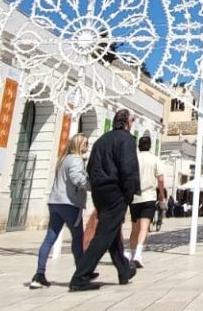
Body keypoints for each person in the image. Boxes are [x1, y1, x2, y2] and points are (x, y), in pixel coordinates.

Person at [68, 109, 139, 291]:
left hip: (99, 191)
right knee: (104, 233)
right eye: (132, 121)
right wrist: (129, 194)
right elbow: (128, 168)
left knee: (112, 230)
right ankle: (80, 276)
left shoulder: (101, 140)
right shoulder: (127, 140)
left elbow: (91, 166)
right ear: (127, 123)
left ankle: (124, 270)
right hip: (115, 190)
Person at [31, 134, 89, 288]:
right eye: (85, 143)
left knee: (50, 237)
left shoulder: (63, 159)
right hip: (70, 203)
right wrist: (89, 184)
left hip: (55, 202)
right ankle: (82, 272)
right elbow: (77, 178)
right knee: (78, 237)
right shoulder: (76, 160)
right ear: (78, 144)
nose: (87, 146)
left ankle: (39, 274)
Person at [128, 134, 160, 268]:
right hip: (149, 197)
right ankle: (138, 254)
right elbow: (161, 179)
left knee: (134, 228)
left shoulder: (133, 159)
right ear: (150, 146)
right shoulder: (154, 159)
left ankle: (133, 252)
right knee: (144, 227)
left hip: (134, 197)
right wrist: (162, 195)